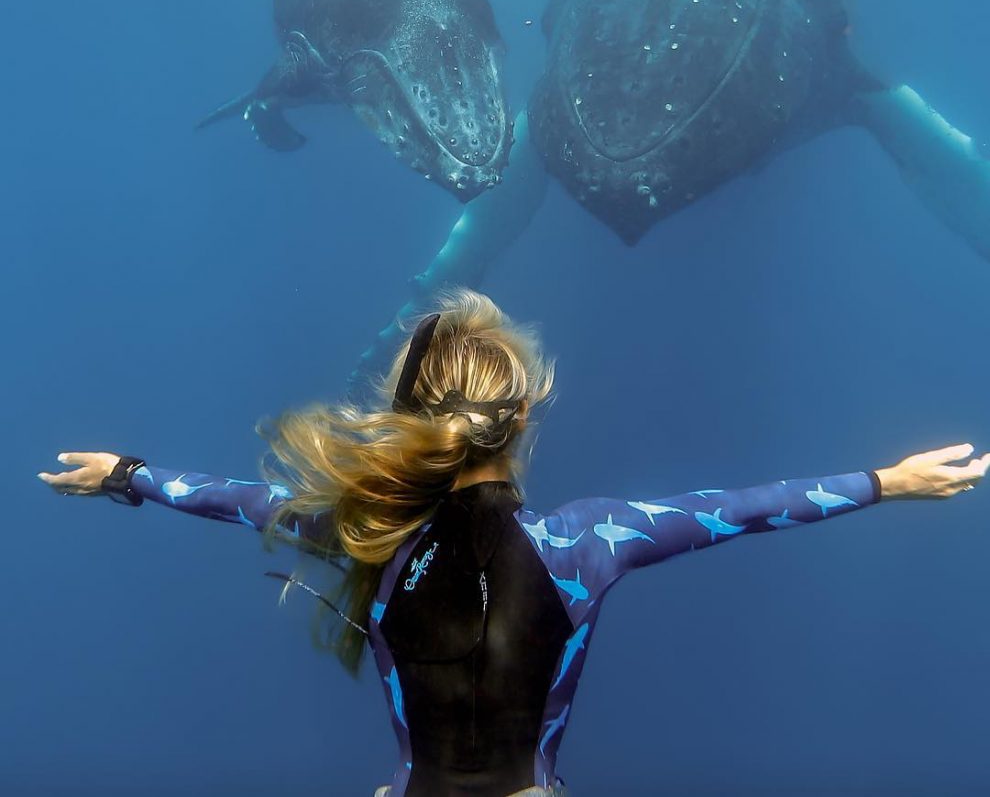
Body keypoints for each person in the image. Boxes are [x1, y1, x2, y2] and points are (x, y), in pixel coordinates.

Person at [38, 290, 988, 797]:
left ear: (416, 420)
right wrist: (890, 480)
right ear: (524, 414)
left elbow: (237, 499)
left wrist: (127, 472)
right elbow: (745, 506)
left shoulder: (368, 532)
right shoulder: (586, 545)